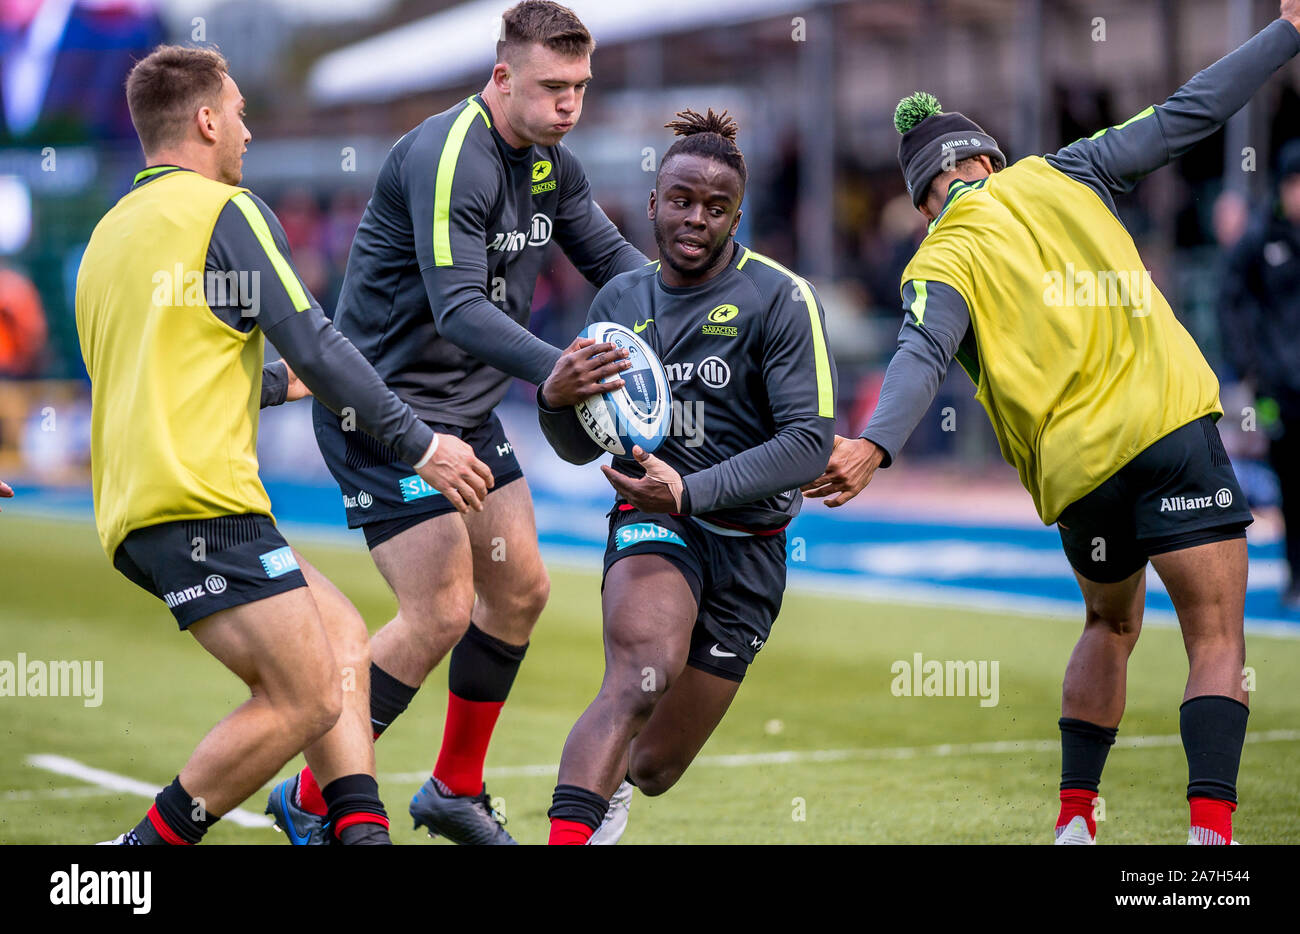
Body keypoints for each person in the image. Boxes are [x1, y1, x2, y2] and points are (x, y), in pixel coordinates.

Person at [804, 7, 1300, 845]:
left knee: (1108, 626)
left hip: (1081, 478)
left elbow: (921, 354)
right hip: (1170, 430)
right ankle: (1209, 834)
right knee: (1215, 638)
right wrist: (1286, 31)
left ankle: (1076, 823)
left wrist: (873, 445)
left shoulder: (939, 257)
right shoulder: (1067, 170)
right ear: (988, 160)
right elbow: (1191, 113)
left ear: (928, 201)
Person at [77, 45, 491, 846]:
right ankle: (132, 859)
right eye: (237, 111)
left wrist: (267, 386)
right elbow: (321, 344)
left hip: (139, 509)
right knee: (307, 697)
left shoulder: (108, 237)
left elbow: (155, 371)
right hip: (202, 504)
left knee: (340, 642)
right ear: (204, 120)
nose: (247, 131)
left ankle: (359, 830)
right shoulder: (226, 212)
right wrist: (420, 447)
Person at [271, 0, 647, 845]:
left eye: (581, 88)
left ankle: (452, 790)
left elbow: (615, 265)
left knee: (520, 590)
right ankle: (307, 795)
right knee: (440, 610)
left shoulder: (552, 163)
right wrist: (559, 367)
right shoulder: (451, 154)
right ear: (502, 76)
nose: (569, 106)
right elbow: (459, 310)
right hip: (382, 412)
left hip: (466, 413)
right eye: (552, 87)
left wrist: (694, 304)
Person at [537, 109, 836, 845]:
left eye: (714, 207)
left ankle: (608, 795)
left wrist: (693, 488)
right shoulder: (618, 305)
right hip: (654, 522)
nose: (695, 218)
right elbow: (580, 448)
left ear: (738, 214)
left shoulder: (781, 299)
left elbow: (808, 443)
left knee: (655, 767)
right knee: (642, 669)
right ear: (652, 203)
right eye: (680, 200)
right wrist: (554, 398)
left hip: (751, 544)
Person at [1218, 139, 1300, 612]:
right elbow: (1231, 297)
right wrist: (1250, 363)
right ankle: (1293, 576)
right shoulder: (1261, 238)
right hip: (1278, 390)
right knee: (1289, 482)